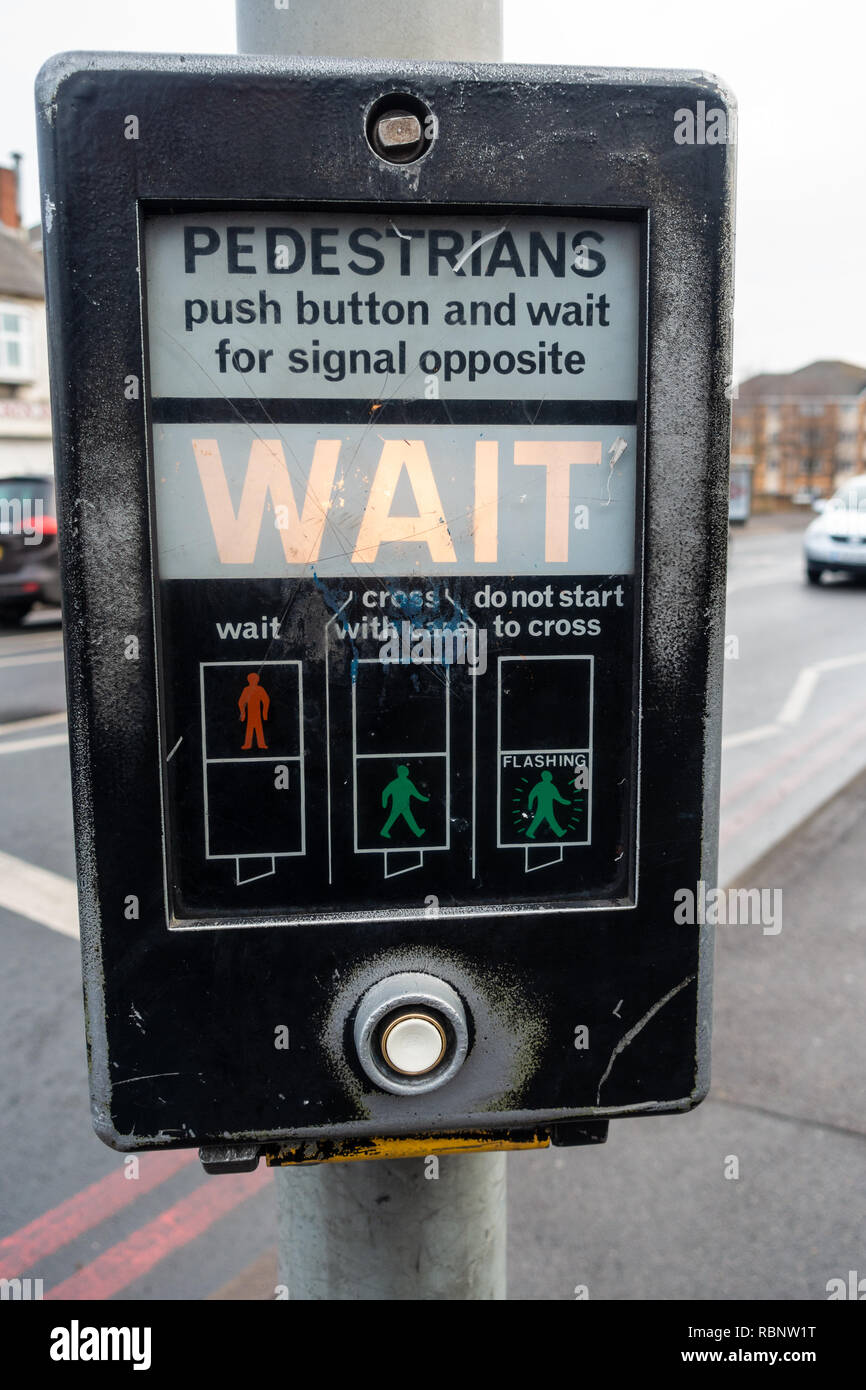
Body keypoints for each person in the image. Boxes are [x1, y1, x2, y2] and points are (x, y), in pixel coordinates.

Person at [380, 764, 428, 839]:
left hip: (403, 806)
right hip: (401, 806)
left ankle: (417, 832)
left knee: (407, 819)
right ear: (406, 773)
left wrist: (384, 803)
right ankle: (384, 831)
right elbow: (417, 794)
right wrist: (425, 799)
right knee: (394, 819)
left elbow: (385, 793)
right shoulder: (407, 783)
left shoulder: (396, 782)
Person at [526, 769, 569, 838]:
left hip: (548, 807)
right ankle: (529, 832)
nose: (551, 776)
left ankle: (559, 832)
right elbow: (531, 795)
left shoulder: (550, 786)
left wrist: (565, 802)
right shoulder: (543, 786)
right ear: (546, 777)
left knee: (550, 820)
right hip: (543, 807)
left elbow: (557, 797)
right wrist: (530, 806)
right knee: (541, 820)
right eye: (549, 775)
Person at [238, 672, 270, 750]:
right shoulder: (246, 689)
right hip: (250, 712)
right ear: (248, 680)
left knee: (258, 728)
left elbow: (266, 700)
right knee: (250, 728)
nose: (253, 681)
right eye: (251, 680)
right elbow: (241, 701)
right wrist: (243, 713)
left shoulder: (260, 689)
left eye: (254, 680)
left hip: (257, 712)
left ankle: (261, 744)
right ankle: (247, 744)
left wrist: (264, 713)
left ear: (257, 680)